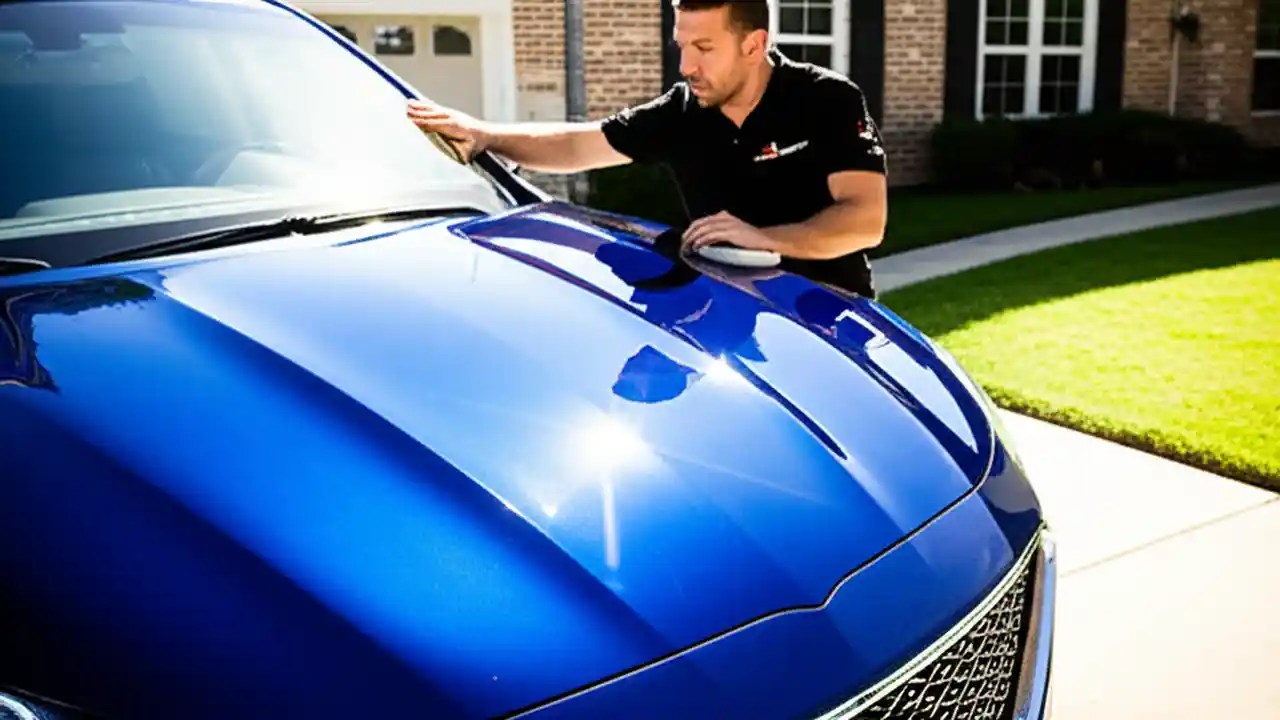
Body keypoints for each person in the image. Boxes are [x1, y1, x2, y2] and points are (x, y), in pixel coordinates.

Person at [406, 0, 889, 299]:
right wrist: (486, 135)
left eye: (704, 48)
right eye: (682, 46)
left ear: (753, 45)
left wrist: (764, 238)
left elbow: (865, 220)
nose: (686, 66)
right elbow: (579, 145)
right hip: (729, 312)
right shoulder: (682, 112)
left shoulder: (827, 99)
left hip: (829, 311)